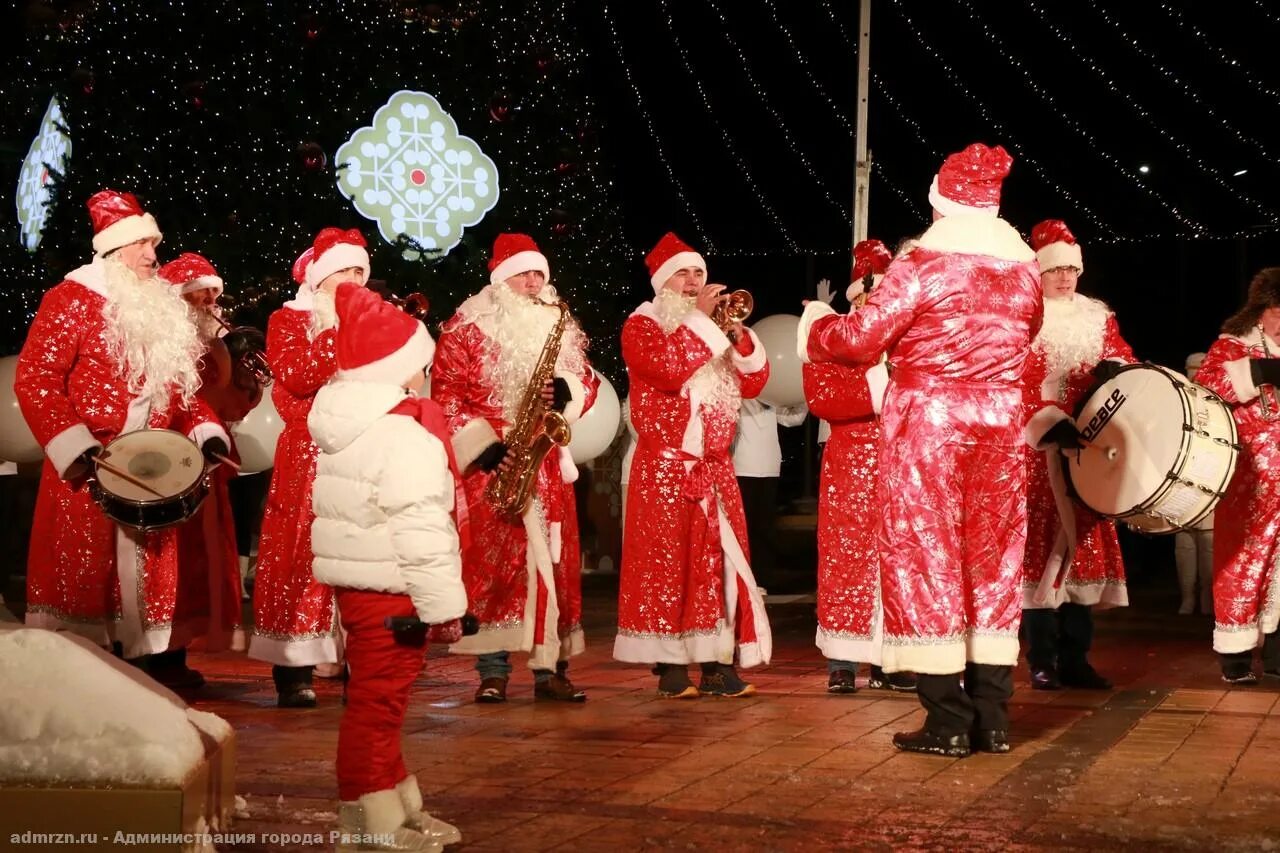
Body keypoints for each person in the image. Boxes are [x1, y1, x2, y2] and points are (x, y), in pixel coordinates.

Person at [799, 144, 1041, 756]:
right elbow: (1027, 335)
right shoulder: (1024, 271)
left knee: (927, 553)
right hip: (1003, 425)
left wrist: (815, 328)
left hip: (931, 426)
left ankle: (948, 720)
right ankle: (994, 717)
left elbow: (860, 339)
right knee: (992, 561)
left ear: (942, 200)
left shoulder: (924, 263)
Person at [15, 190, 229, 663]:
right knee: (87, 579)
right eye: (142, 246)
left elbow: (183, 393)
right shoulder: (72, 299)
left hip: (152, 469)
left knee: (146, 580)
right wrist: (76, 446)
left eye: (154, 244)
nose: (154, 255)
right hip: (90, 466)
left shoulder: (160, 310)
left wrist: (206, 434)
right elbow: (36, 378)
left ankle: (147, 665)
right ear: (114, 249)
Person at [309, 283, 466, 851]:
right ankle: (368, 814)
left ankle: (394, 801)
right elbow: (419, 524)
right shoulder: (402, 433)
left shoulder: (352, 426)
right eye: (422, 365)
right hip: (393, 583)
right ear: (401, 370)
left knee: (381, 698)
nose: (426, 375)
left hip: (362, 580)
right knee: (377, 703)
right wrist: (445, 606)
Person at [431, 233, 599, 703]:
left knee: (557, 564)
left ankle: (552, 669)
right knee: (494, 567)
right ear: (501, 279)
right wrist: (481, 447)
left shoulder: (557, 323)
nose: (533, 282)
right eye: (524, 273)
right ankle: (492, 669)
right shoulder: (465, 327)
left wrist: (568, 391)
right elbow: (444, 395)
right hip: (494, 460)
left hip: (544, 459)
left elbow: (586, 379)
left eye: (539, 274)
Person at [614, 231, 772, 698]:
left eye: (698, 272)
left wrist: (740, 338)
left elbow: (755, 384)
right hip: (665, 471)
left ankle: (716, 663)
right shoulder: (642, 326)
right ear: (663, 281)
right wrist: (703, 322)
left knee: (717, 565)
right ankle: (669, 664)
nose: (692, 281)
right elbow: (666, 369)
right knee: (667, 566)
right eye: (682, 272)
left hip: (715, 469)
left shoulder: (713, 332)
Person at [249, 227, 369, 707]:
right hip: (310, 450)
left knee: (359, 553)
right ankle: (294, 664)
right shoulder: (289, 319)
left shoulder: (372, 319)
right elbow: (296, 376)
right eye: (345, 270)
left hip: (361, 450)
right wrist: (343, 331)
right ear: (320, 278)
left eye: (361, 270)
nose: (355, 279)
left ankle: (353, 655)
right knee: (302, 553)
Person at [1019, 220, 1135, 691]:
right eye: (1055, 270)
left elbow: (1123, 355)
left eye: (1071, 268)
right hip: (1039, 444)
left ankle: (1077, 657)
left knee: (1082, 549)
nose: (1065, 277)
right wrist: (1047, 420)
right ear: (1039, 273)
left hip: (1088, 442)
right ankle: (1041, 659)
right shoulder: (1026, 316)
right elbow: (1017, 378)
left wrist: (1119, 369)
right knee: (1042, 551)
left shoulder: (1096, 315)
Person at [804, 238, 916, 695]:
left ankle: (889, 659)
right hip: (850, 466)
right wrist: (881, 382)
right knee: (845, 558)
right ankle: (843, 661)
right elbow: (823, 398)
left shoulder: (908, 344)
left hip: (900, 465)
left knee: (897, 558)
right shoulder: (832, 340)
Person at [151, 252, 257, 688]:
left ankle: (177, 652)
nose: (211, 299)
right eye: (200, 291)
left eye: (214, 290)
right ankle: (160, 652)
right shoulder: (167, 340)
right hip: (172, 456)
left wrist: (240, 374)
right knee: (174, 555)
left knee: (204, 556)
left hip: (210, 457)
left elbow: (233, 403)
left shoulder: (214, 338)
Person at [1187, 268, 1280, 684]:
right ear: (1264, 311)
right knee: (1242, 563)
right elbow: (1204, 390)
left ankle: (1277, 655)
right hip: (1249, 478)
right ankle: (1236, 657)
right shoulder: (1232, 348)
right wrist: (1257, 373)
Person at [732, 398, 807, 587]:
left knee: (764, 529)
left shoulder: (771, 393)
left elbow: (793, 419)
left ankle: (760, 581)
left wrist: (801, 395)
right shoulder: (738, 388)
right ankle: (742, 582)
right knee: (743, 529)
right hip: (741, 465)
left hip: (769, 465)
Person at [1175, 352, 1214, 616]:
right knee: (1184, 543)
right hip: (1182, 480)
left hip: (1209, 476)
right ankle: (1187, 596)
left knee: (1209, 541)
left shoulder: (1218, 404)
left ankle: (1207, 597)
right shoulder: (1177, 402)